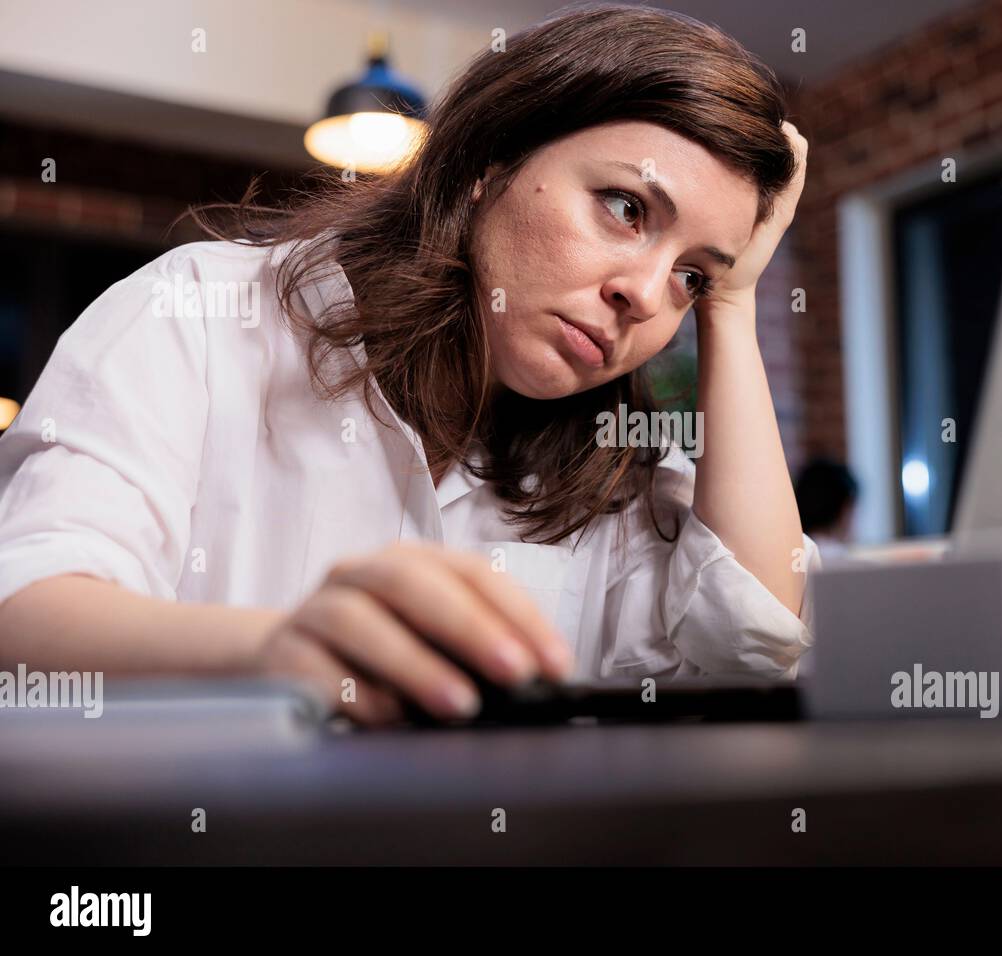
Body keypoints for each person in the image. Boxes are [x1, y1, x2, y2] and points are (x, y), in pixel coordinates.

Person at [0, 3, 818, 725]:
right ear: (488, 166)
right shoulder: (200, 318)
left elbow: (751, 645)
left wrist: (734, 306)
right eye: (625, 207)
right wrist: (275, 654)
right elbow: (22, 620)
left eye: (691, 276)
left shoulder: (614, 462)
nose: (645, 295)